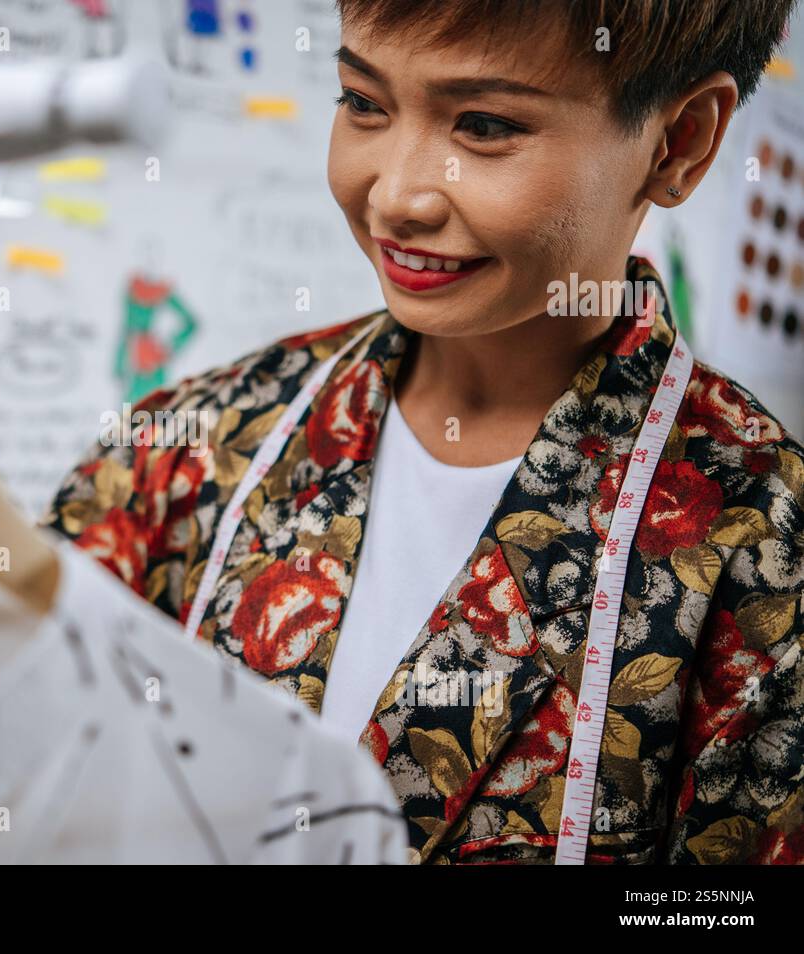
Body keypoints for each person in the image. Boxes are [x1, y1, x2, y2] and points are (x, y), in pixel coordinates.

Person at [44, 0, 804, 864]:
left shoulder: (765, 549)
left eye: (483, 125)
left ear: (680, 143)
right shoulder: (188, 449)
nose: (396, 195)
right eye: (363, 102)